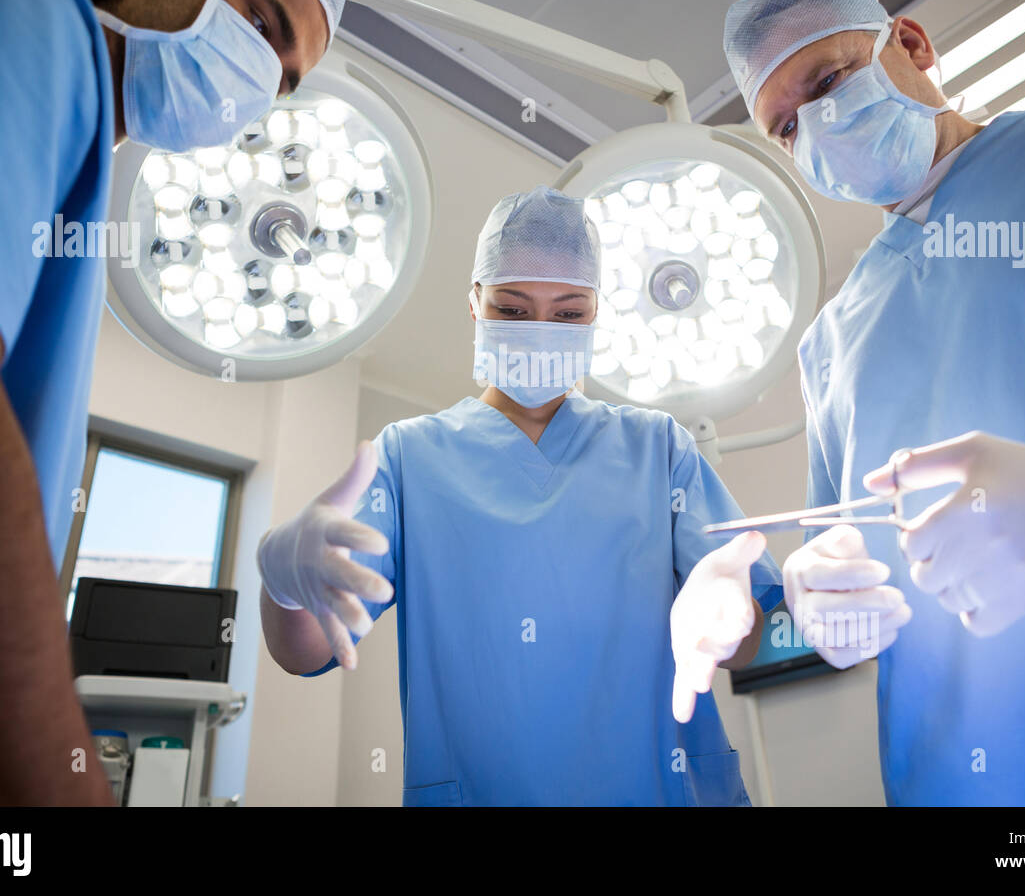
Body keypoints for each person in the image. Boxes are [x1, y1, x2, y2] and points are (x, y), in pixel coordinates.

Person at [0, 0, 349, 804]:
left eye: (282, 81)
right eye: (259, 23)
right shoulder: (20, 2)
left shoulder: (79, 177)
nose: (257, 83)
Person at [717, 0, 1025, 804]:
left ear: (913, 45)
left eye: (827, 82)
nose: (816, 125)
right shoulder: (830, 344)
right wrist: (827, 608)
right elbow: (852, 552)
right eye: (786, 126)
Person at [257, 185, 784, 806]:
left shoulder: (657, 448)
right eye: (511, 309)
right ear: (474, 302)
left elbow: (746, 643)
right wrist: (283, 587)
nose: (540, 330)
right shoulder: (408, 459)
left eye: (567, 313)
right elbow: (306, 650)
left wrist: (734, 616)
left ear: (594, 312)